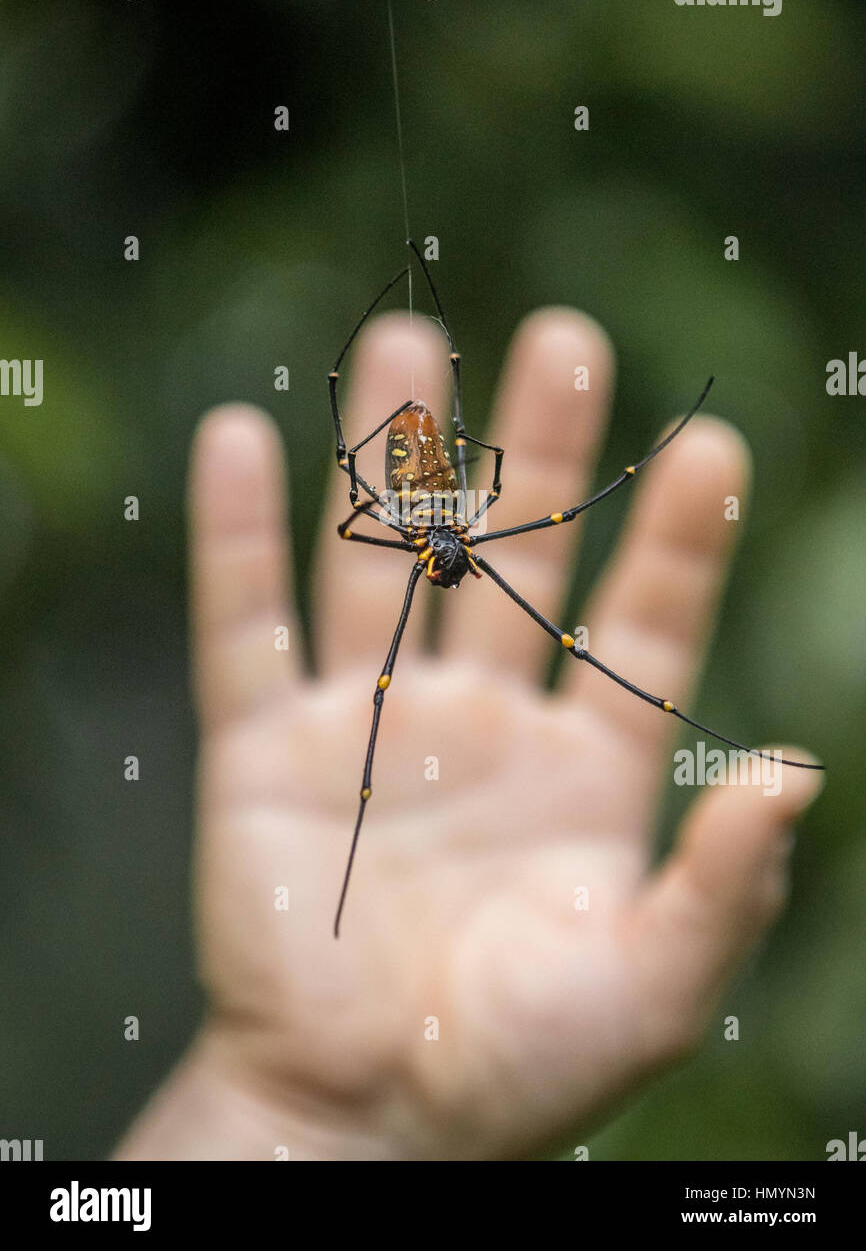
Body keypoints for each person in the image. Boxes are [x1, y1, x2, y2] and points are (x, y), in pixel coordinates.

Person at [115, 307, 821, 1160]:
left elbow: (497, 498)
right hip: (422, 503)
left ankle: (678, 701)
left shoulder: (464, 529)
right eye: (446, 562)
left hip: (430, 500)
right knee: (382, 685)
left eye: (452, 561)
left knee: (555, 553)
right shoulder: (435, 536)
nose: (452, 569)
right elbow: (355, 503)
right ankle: (345, 887)